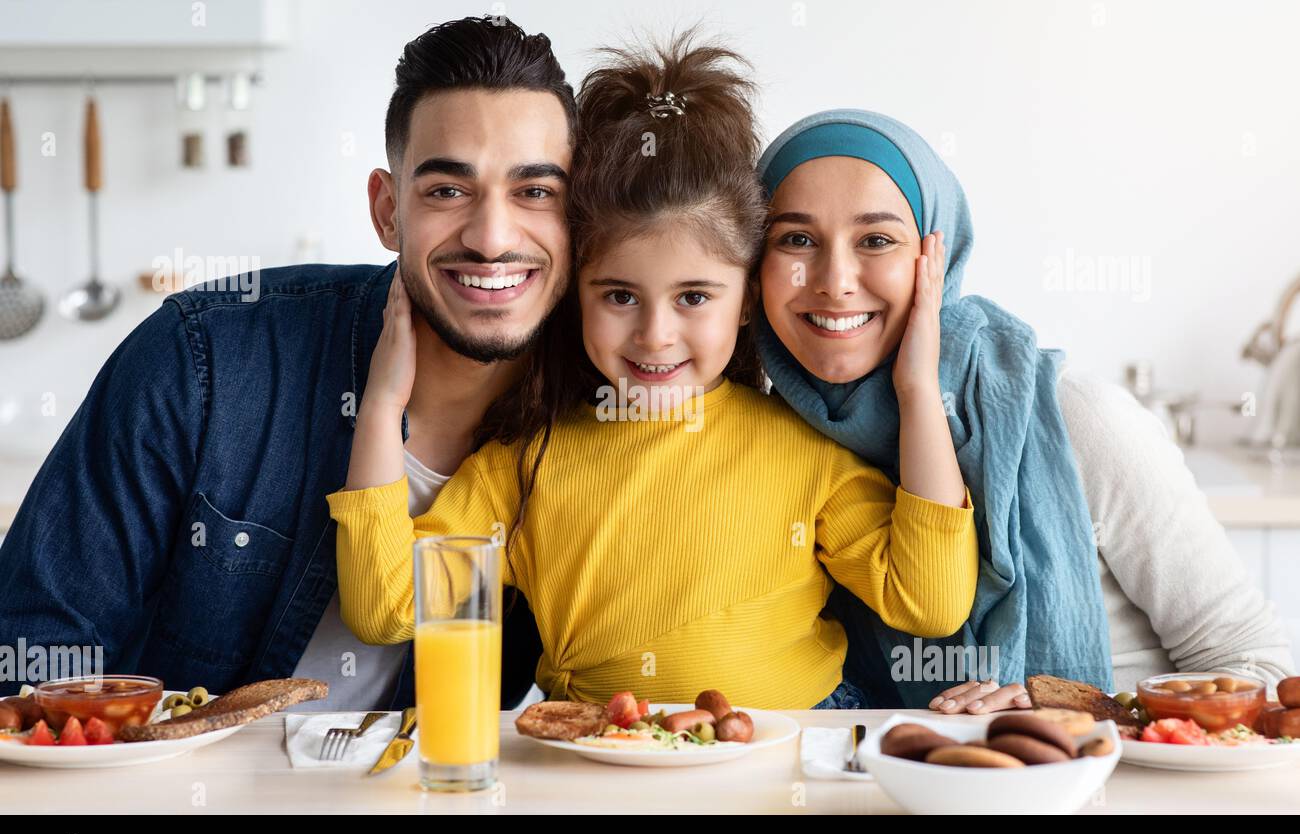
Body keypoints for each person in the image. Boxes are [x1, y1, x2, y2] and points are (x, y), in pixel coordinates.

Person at [327, 37, 979, 709]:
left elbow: (929, 601)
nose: (655, 334)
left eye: (694, 297)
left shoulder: (809, 456)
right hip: (594, 764)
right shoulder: (519, 468)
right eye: (618, 296)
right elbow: (384, 609)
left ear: (749, 297)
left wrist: (918, 388)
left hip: (779, 764)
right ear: (573, 293)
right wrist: (381, 405)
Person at [0, 16, 568, 711]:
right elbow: (30, 658)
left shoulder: (596, 421)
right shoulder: (201, 360)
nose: (491, 237)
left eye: (535, 192)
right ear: (388, 210)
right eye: (447, 190)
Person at [755, 109, 1295, 712]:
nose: (834, 280)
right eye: (796, 239)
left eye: (877, 240)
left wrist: (1086, 708)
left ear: (936, 253)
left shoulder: (1078, 420)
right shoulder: (767, 447)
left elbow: (1263, 669)